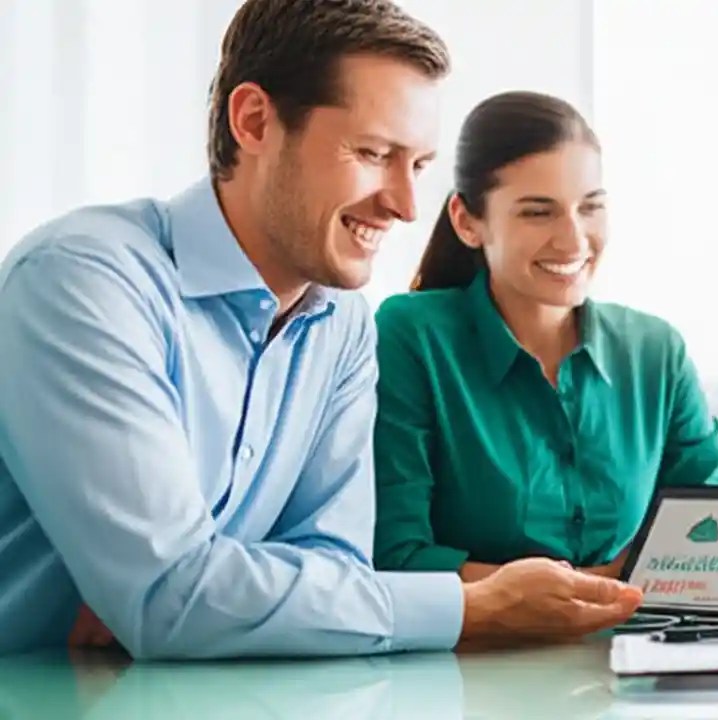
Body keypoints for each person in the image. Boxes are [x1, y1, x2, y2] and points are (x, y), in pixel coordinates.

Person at [0, 0, 640, 660]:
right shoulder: (85, 281)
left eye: (417, 165)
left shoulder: (341, 325)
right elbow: (175, 598)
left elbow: (336, 572)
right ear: (254, 122)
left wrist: (220, 599)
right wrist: (471, 606)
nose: (404, 205)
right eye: (371, 153)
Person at [372, 90, 718, 583]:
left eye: (590, 207)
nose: (574, 240)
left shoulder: (657, 352)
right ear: (467, 221)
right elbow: (393, 555)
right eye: (538, 212)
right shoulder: (411, 336)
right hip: (470, 652)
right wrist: (567, 591)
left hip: (631, 648)